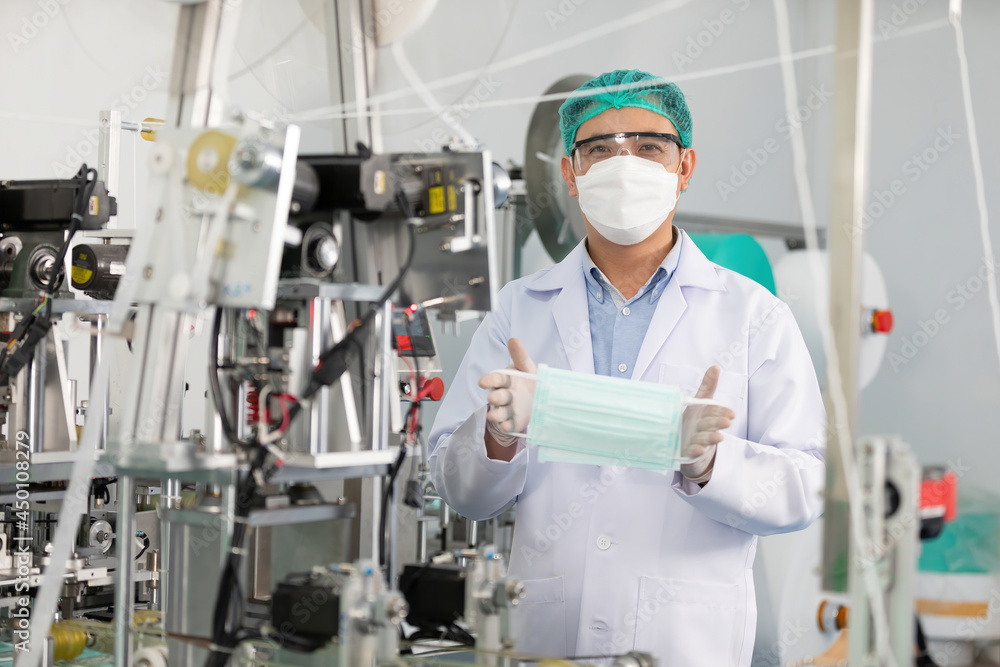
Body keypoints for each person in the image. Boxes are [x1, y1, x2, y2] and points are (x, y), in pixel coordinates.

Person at [427, 69, 825, 666]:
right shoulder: (519, 308)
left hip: (685, 641)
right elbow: (461, 491)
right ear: (571, 171)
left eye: (648, 147)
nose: (624, 164)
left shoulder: (753, 315)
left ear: (683, 167)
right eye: (599, 149)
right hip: (547, 641)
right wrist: (496, 437)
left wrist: (710, 462)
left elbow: (808, 484)